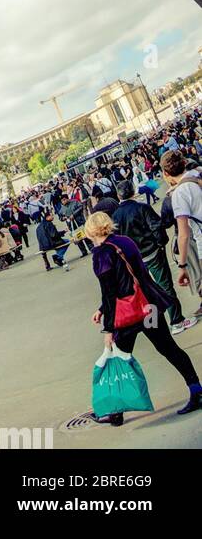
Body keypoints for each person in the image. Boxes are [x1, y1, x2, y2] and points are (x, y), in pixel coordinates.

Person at [84, 210, 202, 426]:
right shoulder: (125, 242)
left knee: (120, 356)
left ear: (90, 231)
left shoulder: (101, 254)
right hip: (148, 308)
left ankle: (116, 411)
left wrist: (108, 329)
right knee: (168, 348)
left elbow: (110, 292)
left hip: (127, 316)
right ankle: (196, 388)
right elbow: (134, 275)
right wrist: (102, 308)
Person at [112, 179, 185, 329]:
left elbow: (116, 241)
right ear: (133, 191)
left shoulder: (115, 217)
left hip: (134, 259)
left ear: (118, 196)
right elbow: (157, 227)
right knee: (165, 285)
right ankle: (176, 320)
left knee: (146, 291)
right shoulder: (142, 208)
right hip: (152, 252)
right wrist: (160, 244)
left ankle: (153, 324)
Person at [161, 150, 202, 318]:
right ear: (184, 163)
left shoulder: (179, 194)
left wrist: (182, 266)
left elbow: (183, 233)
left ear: (165, 173)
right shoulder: (197, 174)